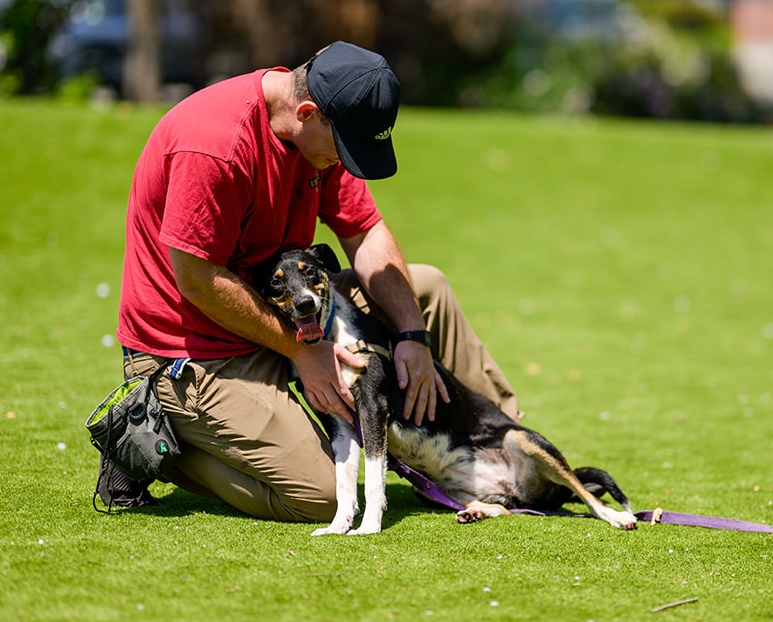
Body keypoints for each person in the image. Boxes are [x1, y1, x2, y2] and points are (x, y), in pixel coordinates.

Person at [105, 41, 519, 521]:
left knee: (426, 288)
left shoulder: (318, 134)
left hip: (286, 309)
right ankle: (147, 442)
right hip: (195, 346)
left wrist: (412, 334)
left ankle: (500, 451)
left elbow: (365, 232)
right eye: (344, 150)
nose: (345, 163)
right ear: (307, 113)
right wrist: (302, 351)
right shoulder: (214, 145)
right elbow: (197, 280)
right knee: (321, 497)